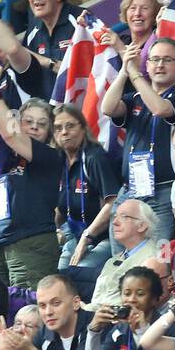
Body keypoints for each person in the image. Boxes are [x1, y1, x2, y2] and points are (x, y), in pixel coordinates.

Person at [102, 36, 175, 246]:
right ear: (147, 63)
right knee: (121, 255)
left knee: (158, 255)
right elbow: (107, 108)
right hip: (129, 191)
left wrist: (135, 73)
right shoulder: (135, 97)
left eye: (167, 60)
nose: (160, 65)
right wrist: (125, 71)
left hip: (162, 192)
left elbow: (160, 108)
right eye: (154, 60)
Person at [0, 90, 64, 287]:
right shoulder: (4, 158)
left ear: (50, 131)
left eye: (42, 124)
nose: (35, 127)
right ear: (19, 123)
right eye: (28, 121)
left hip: (31, 242)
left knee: (27, 309)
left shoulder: (51, 156)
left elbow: (11, 135)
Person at [54, 103, 119, 272]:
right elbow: (60, 207)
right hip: (73, 236)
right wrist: (53, 229)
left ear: (83, 128)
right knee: (59, 275)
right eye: (58, 128)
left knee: (79, 273)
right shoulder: (59, 161)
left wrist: (87, 236)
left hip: (102, 237)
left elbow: (113, 202)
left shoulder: (94, 157)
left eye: (70, 126)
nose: (64, 132)